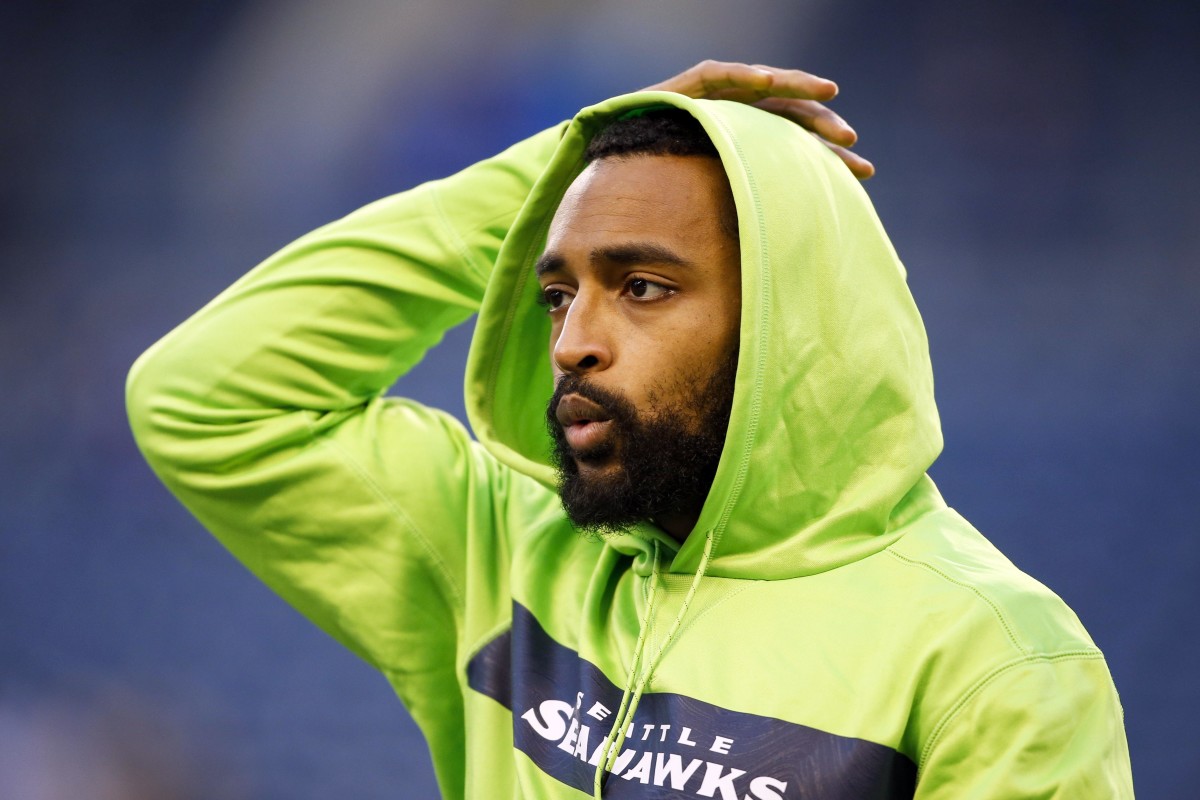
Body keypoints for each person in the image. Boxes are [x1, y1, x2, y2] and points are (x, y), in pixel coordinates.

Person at [127, 61, 1133, 798]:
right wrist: (568, 168)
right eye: (557, 293)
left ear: (788, 318)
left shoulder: (995, 660)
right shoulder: (499, 547)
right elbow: (201, 398)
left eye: (642, 286)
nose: (572, 342)